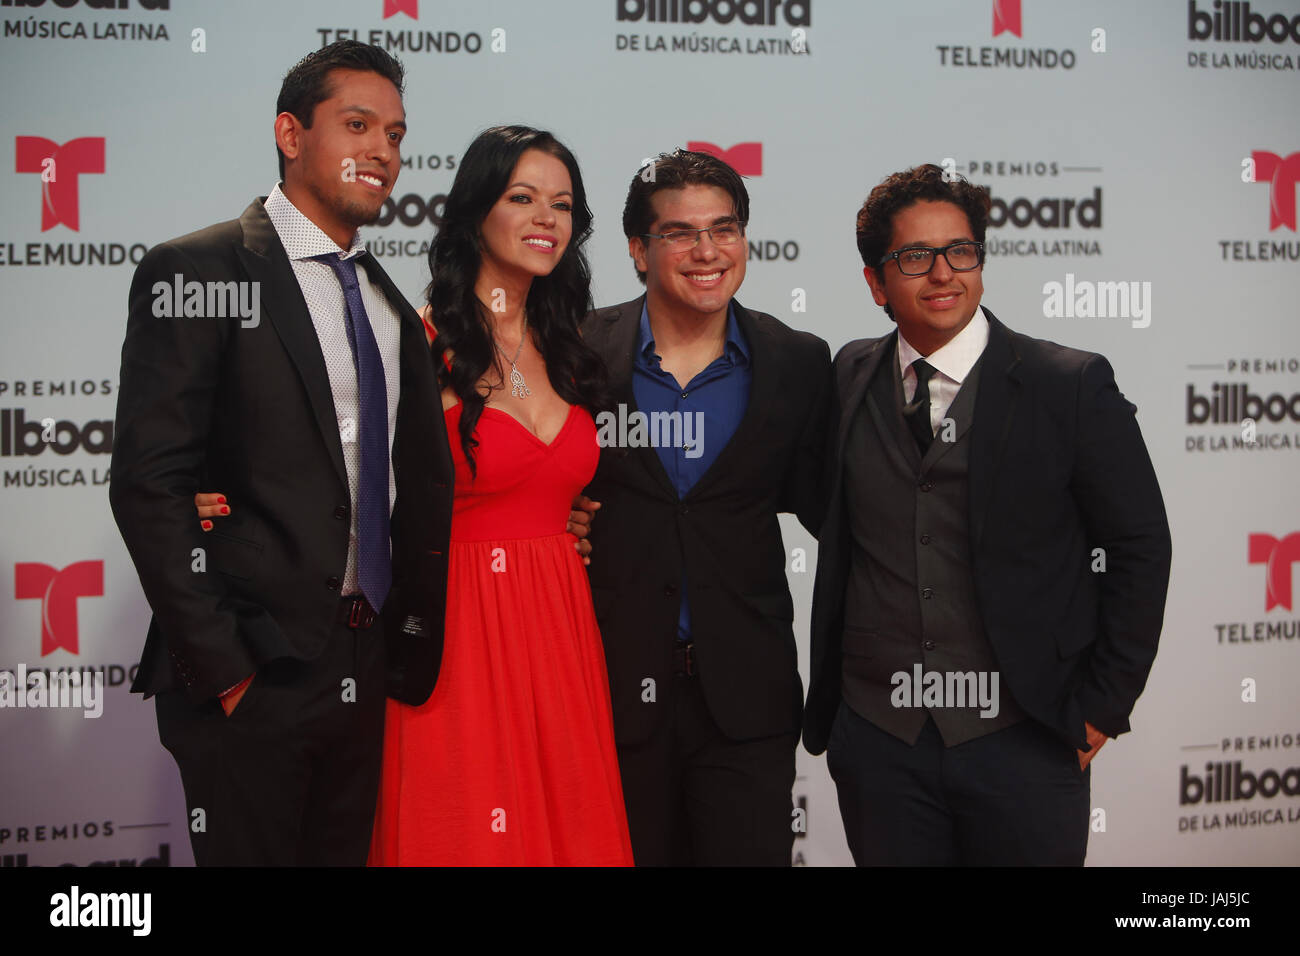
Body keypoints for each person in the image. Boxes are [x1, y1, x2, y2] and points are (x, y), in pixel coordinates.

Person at [110, 41, 453, 866]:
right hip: (252, 668)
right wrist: (228, 671)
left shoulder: (387, 303)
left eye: (396, 135)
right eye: (358, 125)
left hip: (363, 659)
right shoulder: (198, 269)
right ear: (290, 134)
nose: (383, 152)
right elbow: (149, 485)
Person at [803, 164, 1172, 865]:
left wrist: (1101, 706)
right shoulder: (847, 375)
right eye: (915, 256)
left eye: (960, 251)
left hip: (1024, 740)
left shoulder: (1068, 383)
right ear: (876, 283)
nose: (943, 273)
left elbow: (1139, 546)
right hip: (880, 744)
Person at [362, 125, 632, 865]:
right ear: (476, 211)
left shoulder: (574, 350)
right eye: (523, 197)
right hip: (453, 635)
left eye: (563, 204)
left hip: (561, 628)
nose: (547, 218)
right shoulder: (412, 345)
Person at [581, 149, 831, 865]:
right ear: (638, 249)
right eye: (680, 234)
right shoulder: (577, 352)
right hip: (609, 691)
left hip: (746, 701)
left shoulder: (798, 362)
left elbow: (835, 513)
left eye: (724, 229)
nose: (707, 251)